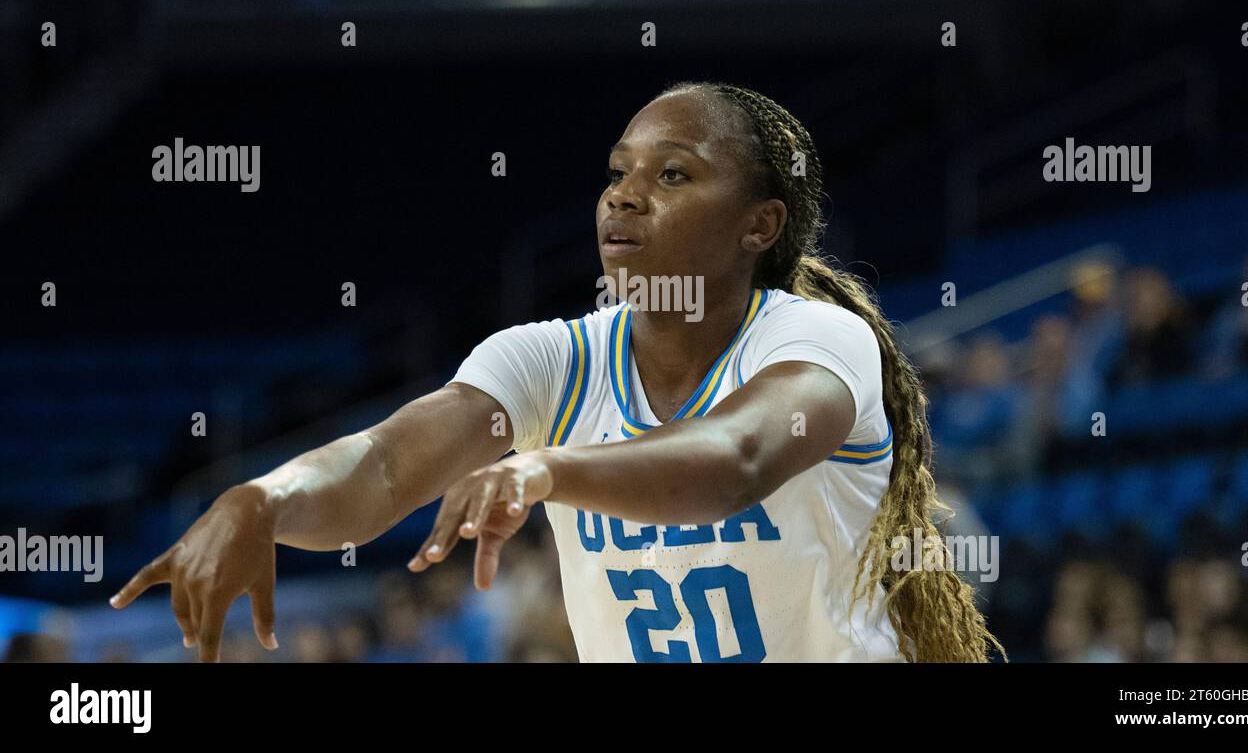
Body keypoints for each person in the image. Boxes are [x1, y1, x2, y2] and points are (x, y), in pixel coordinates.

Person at [111, 81, 1002, 663]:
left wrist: (548, 468)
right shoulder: (555, 359)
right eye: (619, 172)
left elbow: (735, 461)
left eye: (674, 173)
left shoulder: (815, 340)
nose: (623, 194)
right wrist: (264, 500)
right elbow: (384, 464)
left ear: (759, 225)